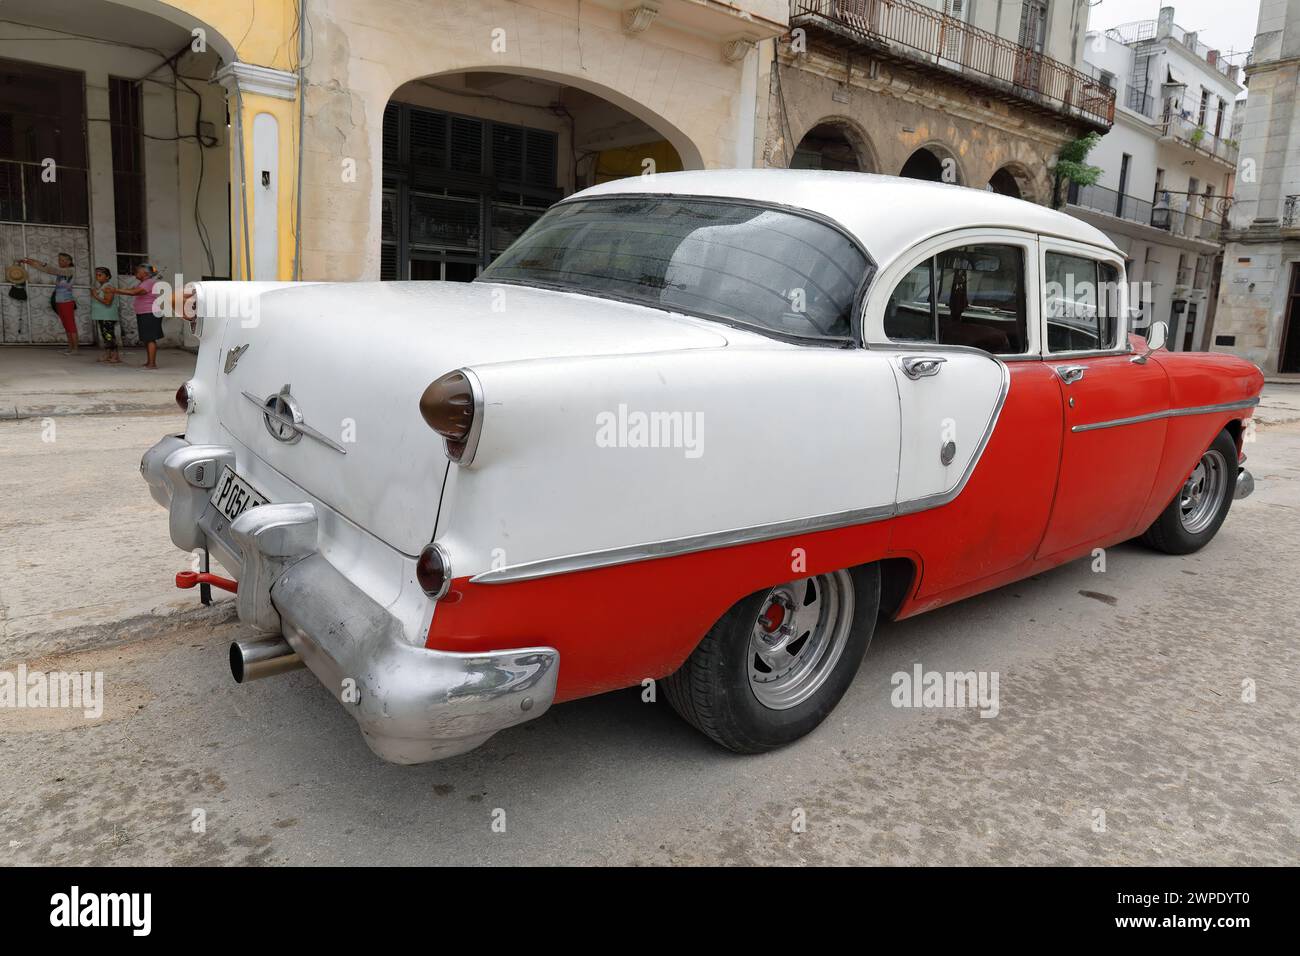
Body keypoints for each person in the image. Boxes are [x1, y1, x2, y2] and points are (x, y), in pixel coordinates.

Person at [20, 254, 78, 353]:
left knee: (71, 326)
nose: (61, 262)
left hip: (67, 302)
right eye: (60, 260)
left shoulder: (70, 270)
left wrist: (36, 262)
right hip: (59, 301)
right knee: (66, 325)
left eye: (63, 260)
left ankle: (75, 349)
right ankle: (70, 348)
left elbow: (51, 269)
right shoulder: (61, 272)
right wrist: (33, 262)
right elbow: (47, 270)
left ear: (69, 261)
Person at [113, 263, 163, 369]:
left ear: (144, 273)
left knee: (150, 338)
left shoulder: (149, 282)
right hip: (146, 313)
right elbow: (134, 290)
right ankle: (149, 362)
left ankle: (152, 364)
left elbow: (134, 292)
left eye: (137, 271)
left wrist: (116, 290)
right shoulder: (145, 282)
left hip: (150, 313)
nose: (135, 273)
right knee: (147, 338)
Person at [90, 267, 122, 364]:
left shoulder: (108, 286)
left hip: (107, 316)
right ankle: (108, 354)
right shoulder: (102, 286)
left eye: (100, 275)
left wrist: (95, 295)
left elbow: (107, 302)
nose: (97, 277)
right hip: (102, 316)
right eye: (96, 275)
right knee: (106, 336)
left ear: (107, 277)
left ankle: (115, 355)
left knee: (109, 336)